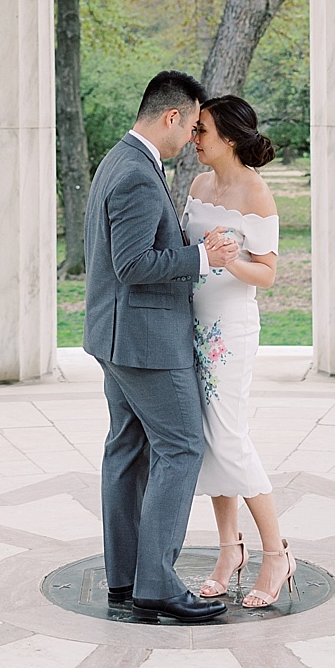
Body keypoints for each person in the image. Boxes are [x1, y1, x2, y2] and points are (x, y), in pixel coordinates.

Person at [82, 70, 242, 622]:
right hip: (145, 341)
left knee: (127, 450)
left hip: (116, 336)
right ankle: (157, 582)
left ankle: (125, 578)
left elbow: (139, 246)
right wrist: (205, 259)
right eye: (193, 124)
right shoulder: (136, 174)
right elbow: (132, 265)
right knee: (181, 447)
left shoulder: (118, 160)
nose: (192, 137)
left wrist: (191, 246)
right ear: (172, 117)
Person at [183, 95, 296, 609]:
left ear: (227, 136)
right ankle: (229, 551)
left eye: (202, 128)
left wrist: (227, 262)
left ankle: (276, 552)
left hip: (230, 330)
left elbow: (268, 275)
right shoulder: (198, 184)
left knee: (228, 437)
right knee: (207, 439)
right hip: (189, 322)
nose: (194, 136)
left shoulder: (257, 193)